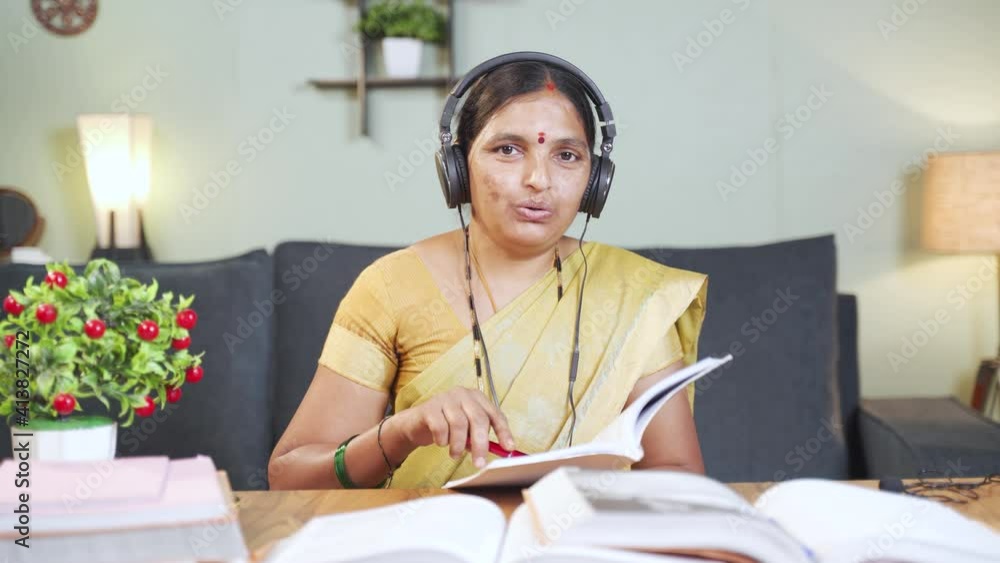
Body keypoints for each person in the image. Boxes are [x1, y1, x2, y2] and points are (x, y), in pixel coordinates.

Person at [269, 52, 709, 490]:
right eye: (508, 149)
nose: (539, 179)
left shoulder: (630, 293)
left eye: (567, 155)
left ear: (596, 181)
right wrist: (401, 432)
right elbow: (291, 478)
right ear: (457, 169)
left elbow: (679, 474)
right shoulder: (390, 286)